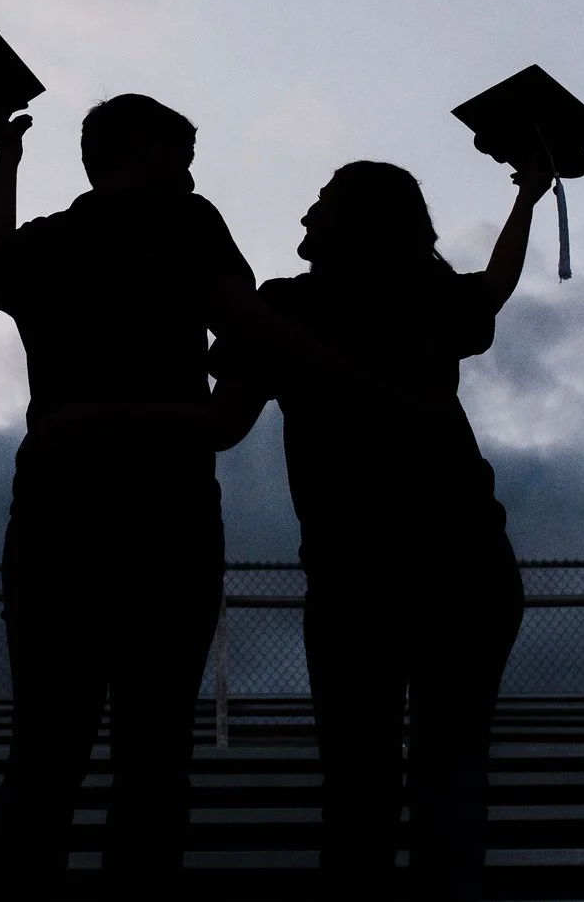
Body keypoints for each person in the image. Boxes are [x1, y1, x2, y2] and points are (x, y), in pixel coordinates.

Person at [214, 156, 548, 889]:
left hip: (355, 572)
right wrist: (526, 198)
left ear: (352, 223)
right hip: (466, 561)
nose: (305, 213)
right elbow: (492, 287)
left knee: (357, 786)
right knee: (452, 777)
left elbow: (223, 423)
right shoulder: (426, 297)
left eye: (322, 200)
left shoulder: (285, 308)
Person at [0, 93, 271, 882]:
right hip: (164, 510)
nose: (190, 172)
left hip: (54, 508)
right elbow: (248, 327)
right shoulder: (185, 222)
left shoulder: (49, 245)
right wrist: (216, 410)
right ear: (148, 156)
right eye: (180, 156)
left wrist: (4, 161)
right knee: (154, 748)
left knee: (44, 744)